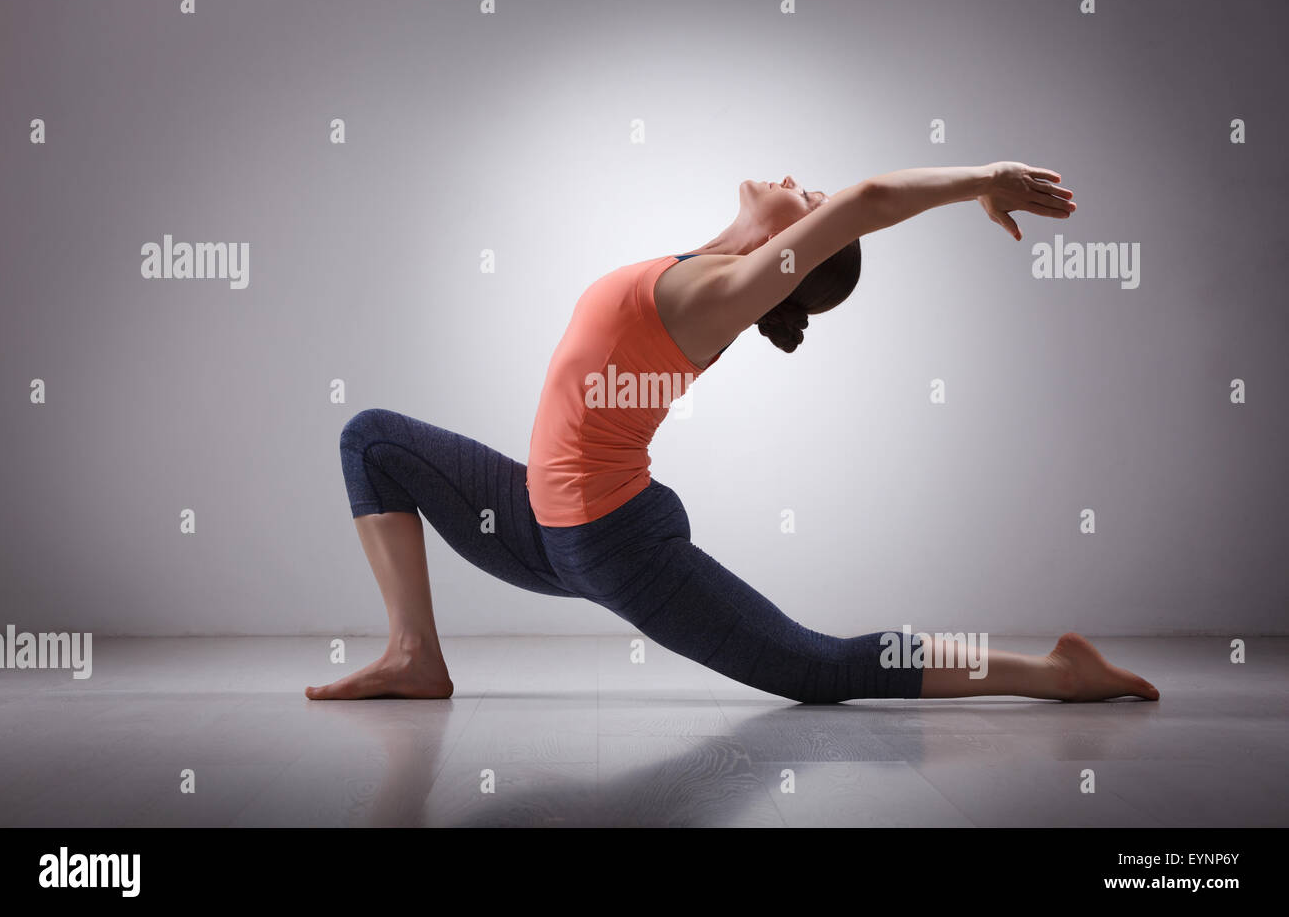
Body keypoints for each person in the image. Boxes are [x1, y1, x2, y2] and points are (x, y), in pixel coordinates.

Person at [309, 162, 1159, 705]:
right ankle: (415, 655)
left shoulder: (720, 298)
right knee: (372, 442)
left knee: (817, 668)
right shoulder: (706, 272)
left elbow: (865, 203)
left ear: (796, 247)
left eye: (812, 197)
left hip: (611, 543)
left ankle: (1053, 674)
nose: (806, 179)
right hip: (539, 526)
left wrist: (982, 177)